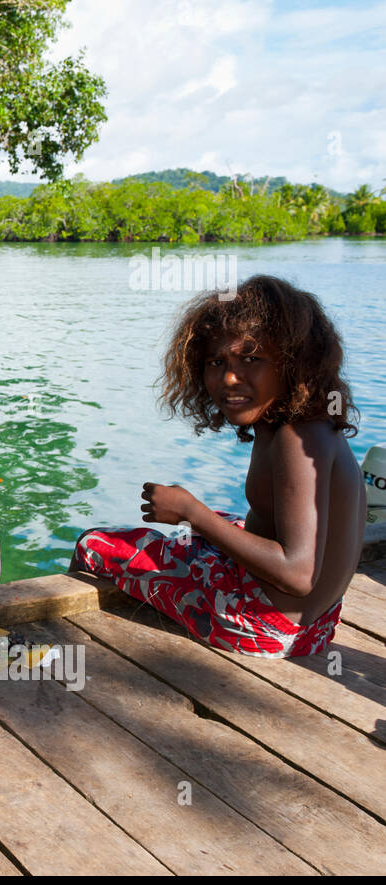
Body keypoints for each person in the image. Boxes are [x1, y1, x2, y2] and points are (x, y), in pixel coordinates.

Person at [71, 274, 365, 658]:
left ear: (294, 362)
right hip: (315, 626)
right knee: (229, 521)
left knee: (94, 543)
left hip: (260, 625)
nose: (229, 377)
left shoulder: (297, 438)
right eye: (216, 362)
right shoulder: (300, 421)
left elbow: (298, 574)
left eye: (251, 359)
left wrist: (191, 512)